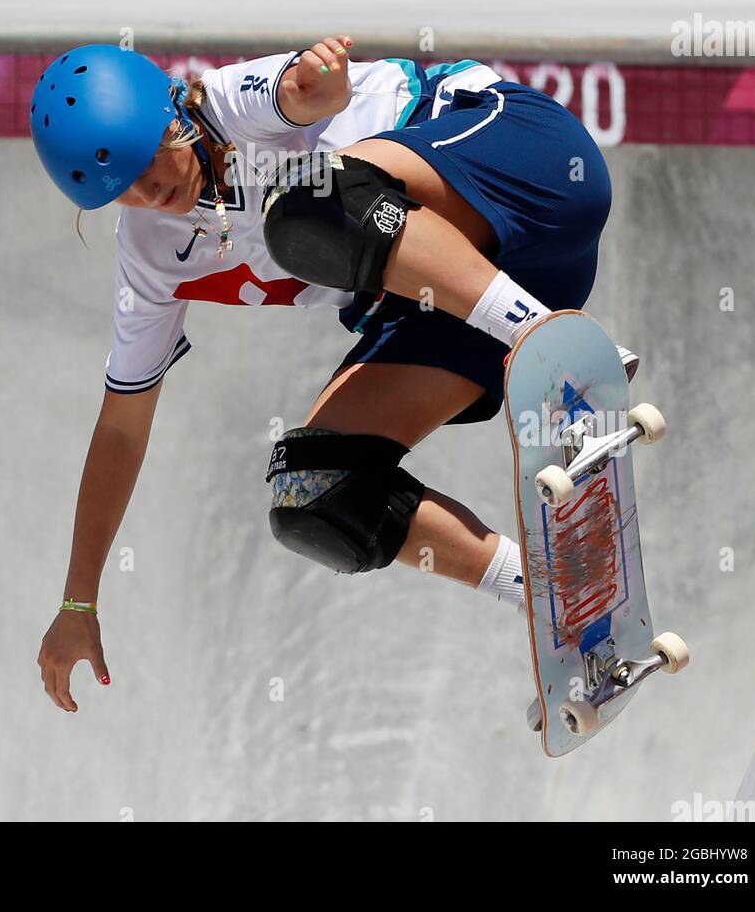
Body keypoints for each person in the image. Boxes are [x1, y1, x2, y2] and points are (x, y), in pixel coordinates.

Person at [31, 37, 635, 712]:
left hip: (532, 170)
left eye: (151, 160)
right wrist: (77, 599)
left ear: (176, 114)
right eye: (127, 192)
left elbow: (293, 92)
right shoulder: (150, 257)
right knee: (314, 492)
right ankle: (557, 594)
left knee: (310, 201)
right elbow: (120, 428)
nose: (153, 192)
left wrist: (310, 86)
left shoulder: (229, 102)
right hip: (470, 291)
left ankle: (539, 341)